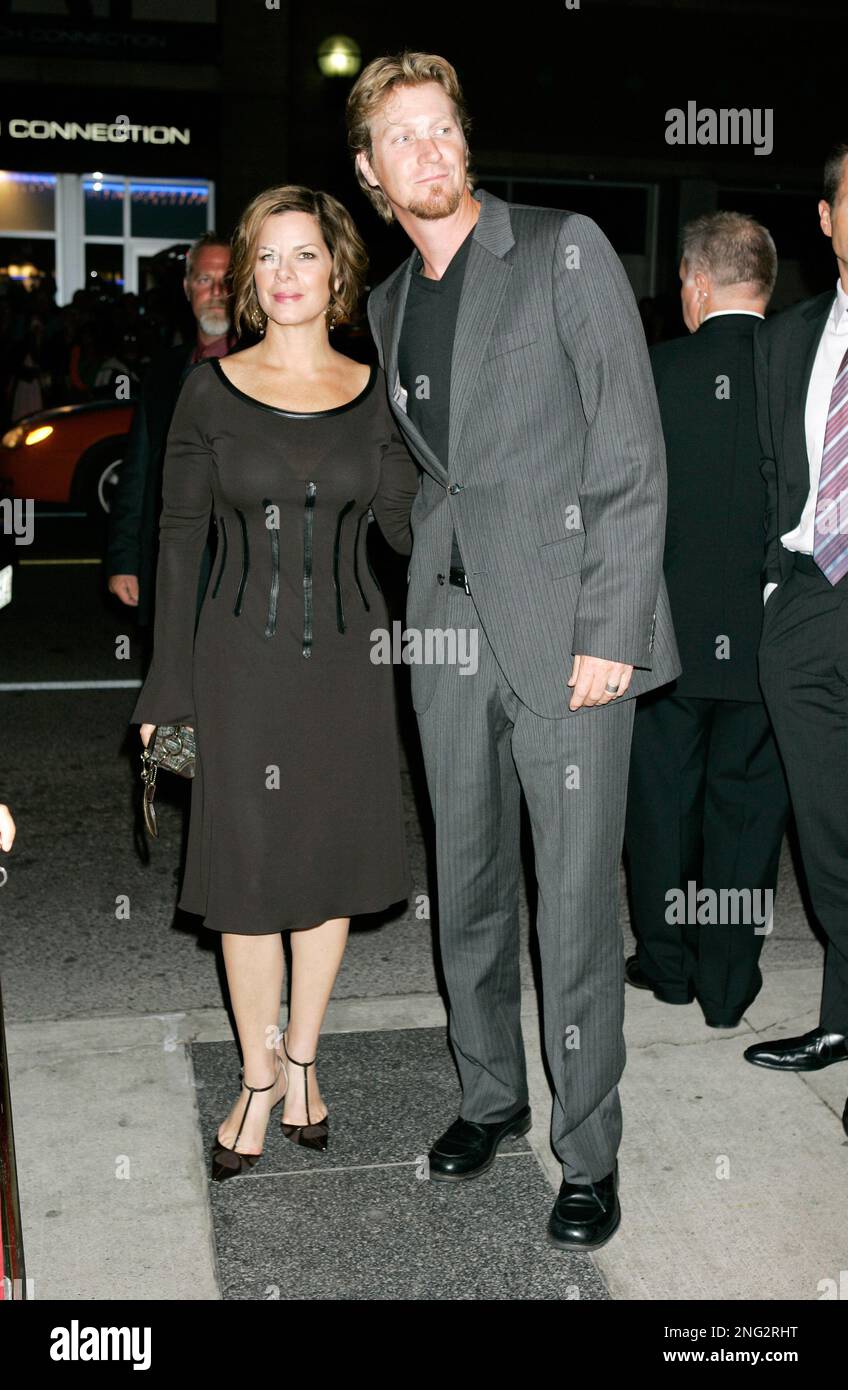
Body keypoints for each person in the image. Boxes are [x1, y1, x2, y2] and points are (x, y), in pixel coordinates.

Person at [348, 51, 681, 1249]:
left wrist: (609, 634)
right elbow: (417, 477)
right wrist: (420, 559)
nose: (426, 151)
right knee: (471, 891)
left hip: (569, 640)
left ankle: (584, 1152)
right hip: (445, 636)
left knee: (575, 909)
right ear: (369, 169)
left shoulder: (562, 247)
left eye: (442, 129)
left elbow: (631, 455)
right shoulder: (386, 307)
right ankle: (488, 1095)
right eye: (401, 136)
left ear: (463, 144)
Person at [129, 185, 419, 1181]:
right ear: (248, 277)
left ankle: (303, 1058)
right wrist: (164, 687)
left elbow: (402, 529)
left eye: (304, 255)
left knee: (323, 871)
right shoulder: (208, 391)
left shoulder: (380, 390)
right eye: (267, 258)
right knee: (247, 878)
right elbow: (176, 540)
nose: (285, 274)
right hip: (237, 663)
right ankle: (255, 1075)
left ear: (337, 270)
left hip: (347, 666)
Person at [624, 212, 790, 1027]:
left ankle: (667, 963)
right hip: (771, 638)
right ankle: (727, 984)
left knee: (661, 801)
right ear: (764, 282)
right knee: (748, 810)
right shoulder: (803, 371)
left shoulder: (652, 373)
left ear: (694, 284)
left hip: (667, 633)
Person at [747, 143, 848, 1105]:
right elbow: (769, 481)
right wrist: (775, 594)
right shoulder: (786, 339)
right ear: (827, 219)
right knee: (826, 833)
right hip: (810, 601)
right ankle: (842, 1014)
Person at [107, 232, 239, 632]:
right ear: (187, 288)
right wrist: (124, 561)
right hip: (174, 566)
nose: (217, 292)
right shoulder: (163, 372)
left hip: (244, 571)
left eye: (228, 281)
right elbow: (138, 472)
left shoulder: (267, 367)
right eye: (204, 280)